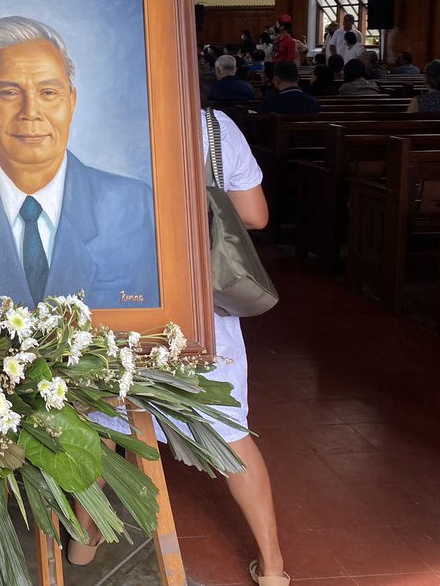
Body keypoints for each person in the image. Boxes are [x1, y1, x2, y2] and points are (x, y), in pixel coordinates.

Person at [73, 108, 288, 586]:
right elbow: (255, 214)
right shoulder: (212, 126)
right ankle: (273, 567)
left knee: (104, 419)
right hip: (197, 304)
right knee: (229, 431)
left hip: (118, 294)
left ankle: (83, 540)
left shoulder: (101, 115)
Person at [0, 16, 159, 309]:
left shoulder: (134, 207)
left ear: (71, 103)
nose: (31, 112)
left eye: (48, 93)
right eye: (8, 93)